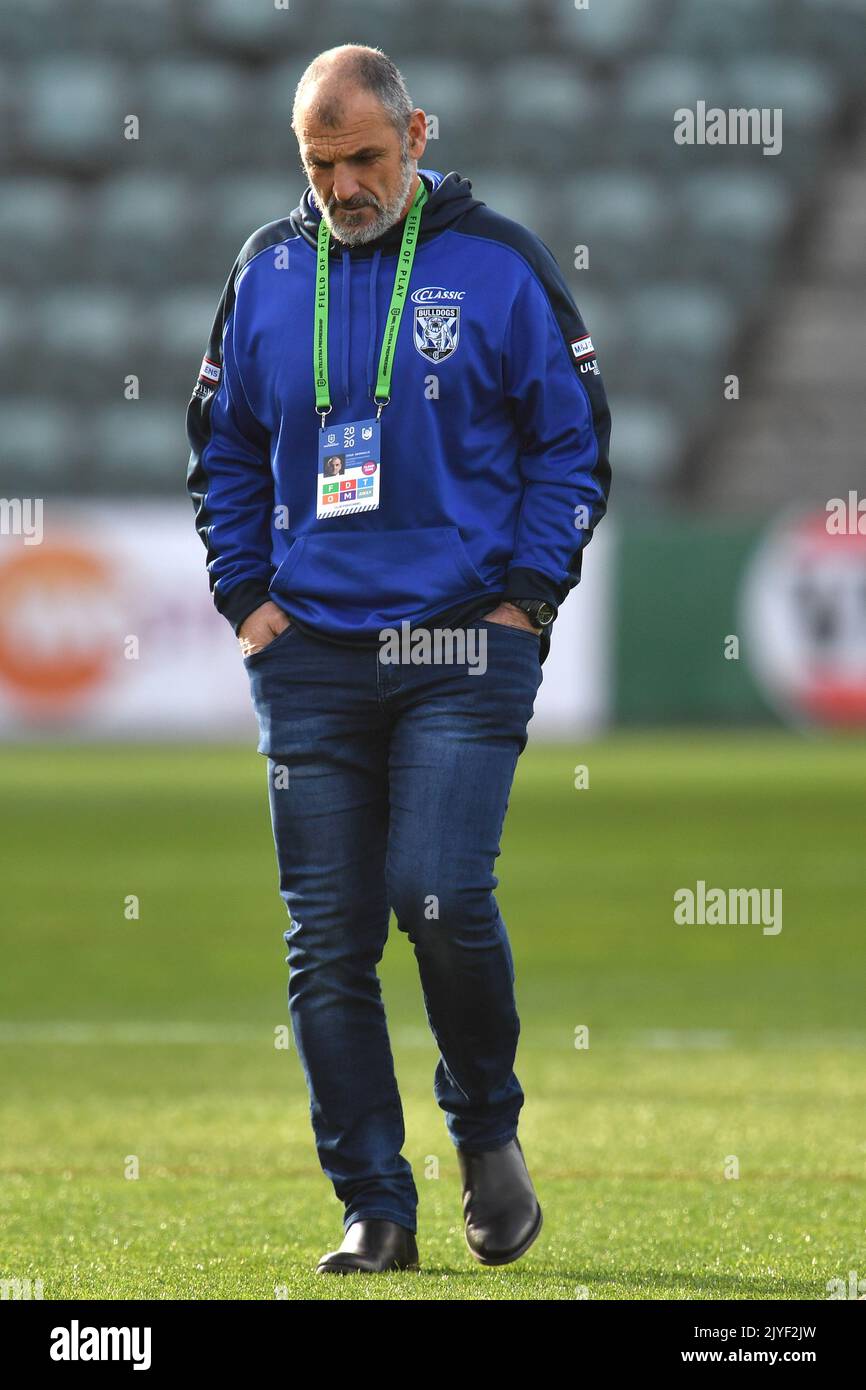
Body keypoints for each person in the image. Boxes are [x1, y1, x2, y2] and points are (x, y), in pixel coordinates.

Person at [186, 43, 611, 1275]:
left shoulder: (499, 263)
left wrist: (527, 598)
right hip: (308, 650)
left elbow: (569, 442)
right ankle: (374, 1203)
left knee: (435, 891)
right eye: (318, 164)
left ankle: (485, 1132)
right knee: (326, 942)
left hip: (459, 645)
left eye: (364, 157)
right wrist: (244, 599)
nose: (342, 185)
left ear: (417, 135)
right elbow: (220, 443)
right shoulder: (267, 271)